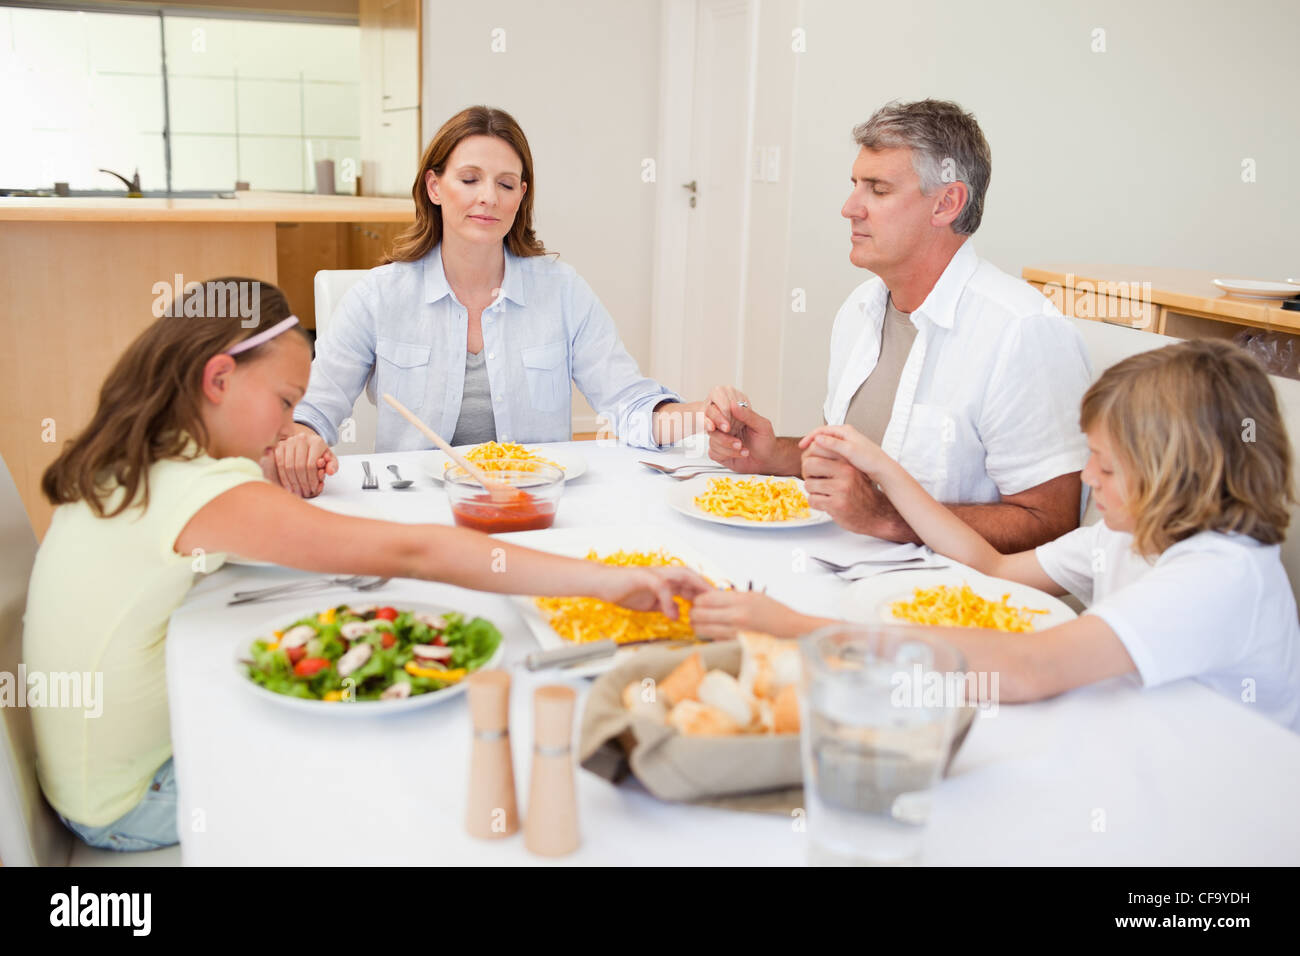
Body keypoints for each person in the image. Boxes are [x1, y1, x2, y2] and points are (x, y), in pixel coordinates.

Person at [23, 278, 710, 850]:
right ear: (219, 377)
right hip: (129, 803)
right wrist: (612, 582)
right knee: (384, 773)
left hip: (96, 776)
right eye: (286, 403)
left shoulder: (146, 458)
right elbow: (412, 551)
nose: (288, 425)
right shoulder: (196, 492)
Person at [693, 340, 1300, 733]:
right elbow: (991, 566)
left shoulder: (1218, 575)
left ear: (1177, 472)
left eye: (1107, 467)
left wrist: (801, 630)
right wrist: (885, 472)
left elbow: (1030, 668)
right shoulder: (1127, 536)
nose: (1088, 479)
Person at [270, 105, 742, 497]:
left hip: (532, 502)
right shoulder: (377, 296)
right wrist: (301, 442)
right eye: (469, 179)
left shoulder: (562, 291)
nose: (488, 198)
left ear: (521, 195)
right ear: (435, 187)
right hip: (415, 509)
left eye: (505, 183)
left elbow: (630, 405)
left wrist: (704, 415)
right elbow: (315, 410)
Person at [707, 99, 1091, 552]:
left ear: (947, 203)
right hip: (847, 561)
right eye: (854, 185)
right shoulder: (860, 309)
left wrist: (887, 518)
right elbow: (855, 474)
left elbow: (1051, 524)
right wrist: (773, 455)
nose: (850, 207)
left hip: (949, 600)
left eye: (878, 190)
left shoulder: (1022, 331)